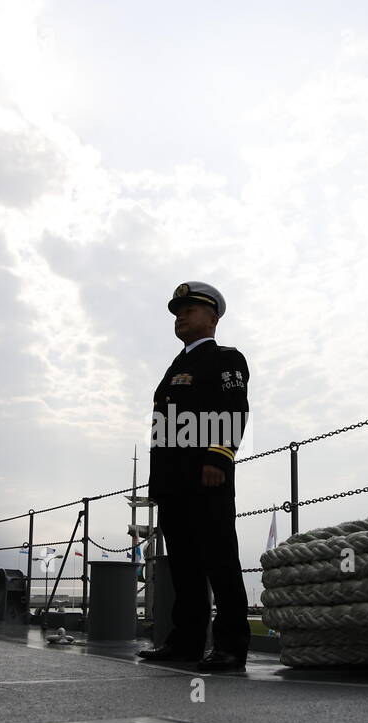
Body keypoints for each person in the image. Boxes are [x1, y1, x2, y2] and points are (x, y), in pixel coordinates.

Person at [139, 281, 252, 672]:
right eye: (177, 310)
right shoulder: (175, 368)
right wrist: (158, 485)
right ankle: (185, 642)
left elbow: (234, 408)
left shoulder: (226, 358)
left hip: (208, 477)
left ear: (213, 317)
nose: (181, 315)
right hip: (174, 483)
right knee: (185, 565)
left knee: (220, 560)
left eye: (189, 308)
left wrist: (219, 458)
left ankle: (231, 646)